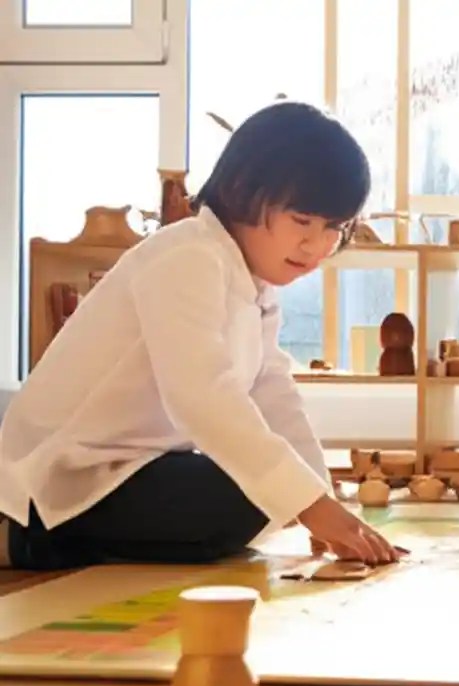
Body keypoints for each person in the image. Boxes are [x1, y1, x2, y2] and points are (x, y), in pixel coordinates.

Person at [0, 101, 401, 570]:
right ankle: (26, 541)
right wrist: (308, 503)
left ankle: (76, 543)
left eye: (335, 226)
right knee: (249, 491)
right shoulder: (188, 254)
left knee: (269, 487)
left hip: (134, 470)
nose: (318, 244)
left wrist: (324, 502)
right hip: (64, 476)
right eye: (302, 221)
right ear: (242, 191)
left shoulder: (254, 283)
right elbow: (202, 397)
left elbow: (273, 393)